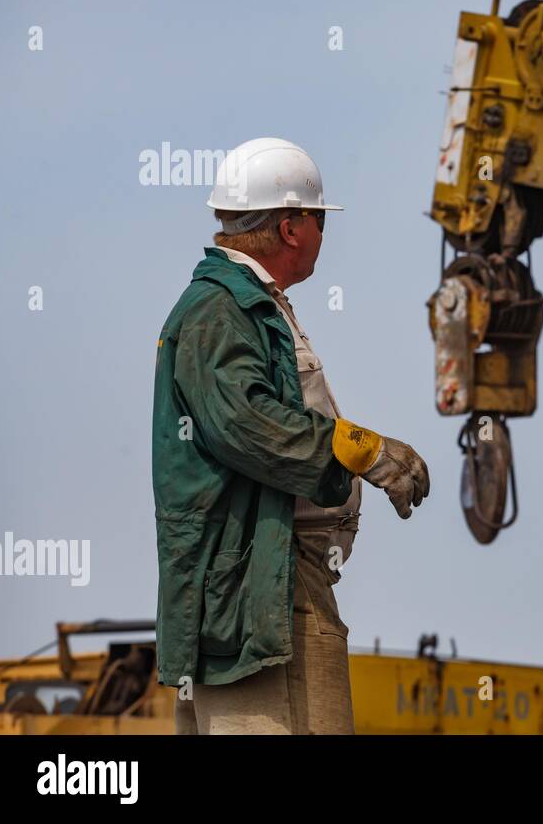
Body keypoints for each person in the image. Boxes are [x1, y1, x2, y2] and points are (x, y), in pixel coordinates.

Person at [152, 137, 430, 734]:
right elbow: (245, 425)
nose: (322, 234)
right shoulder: (217, 310)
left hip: (279, 579)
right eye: (318, 220)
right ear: (290, 227)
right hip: (252, 588)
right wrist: (366, 453)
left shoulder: (252, 307)